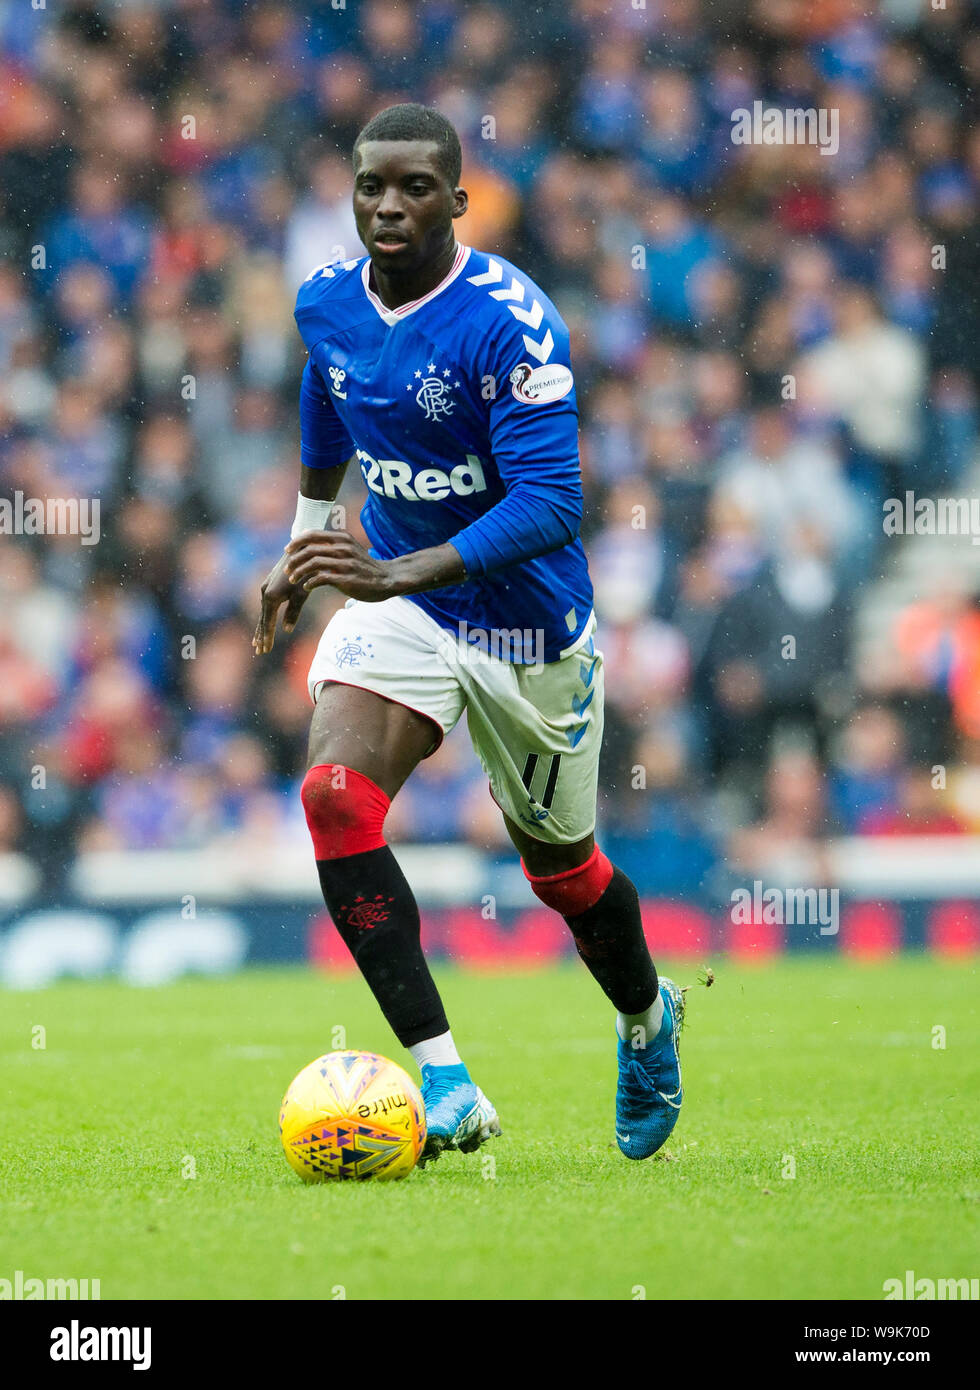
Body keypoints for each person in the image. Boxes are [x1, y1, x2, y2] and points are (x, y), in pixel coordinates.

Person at [254, 103, 685, 1165]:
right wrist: (309, 538)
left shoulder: (511, 319)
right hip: (401, 604)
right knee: (333, 796)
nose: (387, 207)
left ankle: (644, 1018)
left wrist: (398, 563)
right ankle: (442, 1077)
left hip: (524, 626)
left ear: (458, 199)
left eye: (412, 188)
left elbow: (551, 503)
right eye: (369, 187)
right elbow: (330, 385)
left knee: (563, 873)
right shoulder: (324, 301)